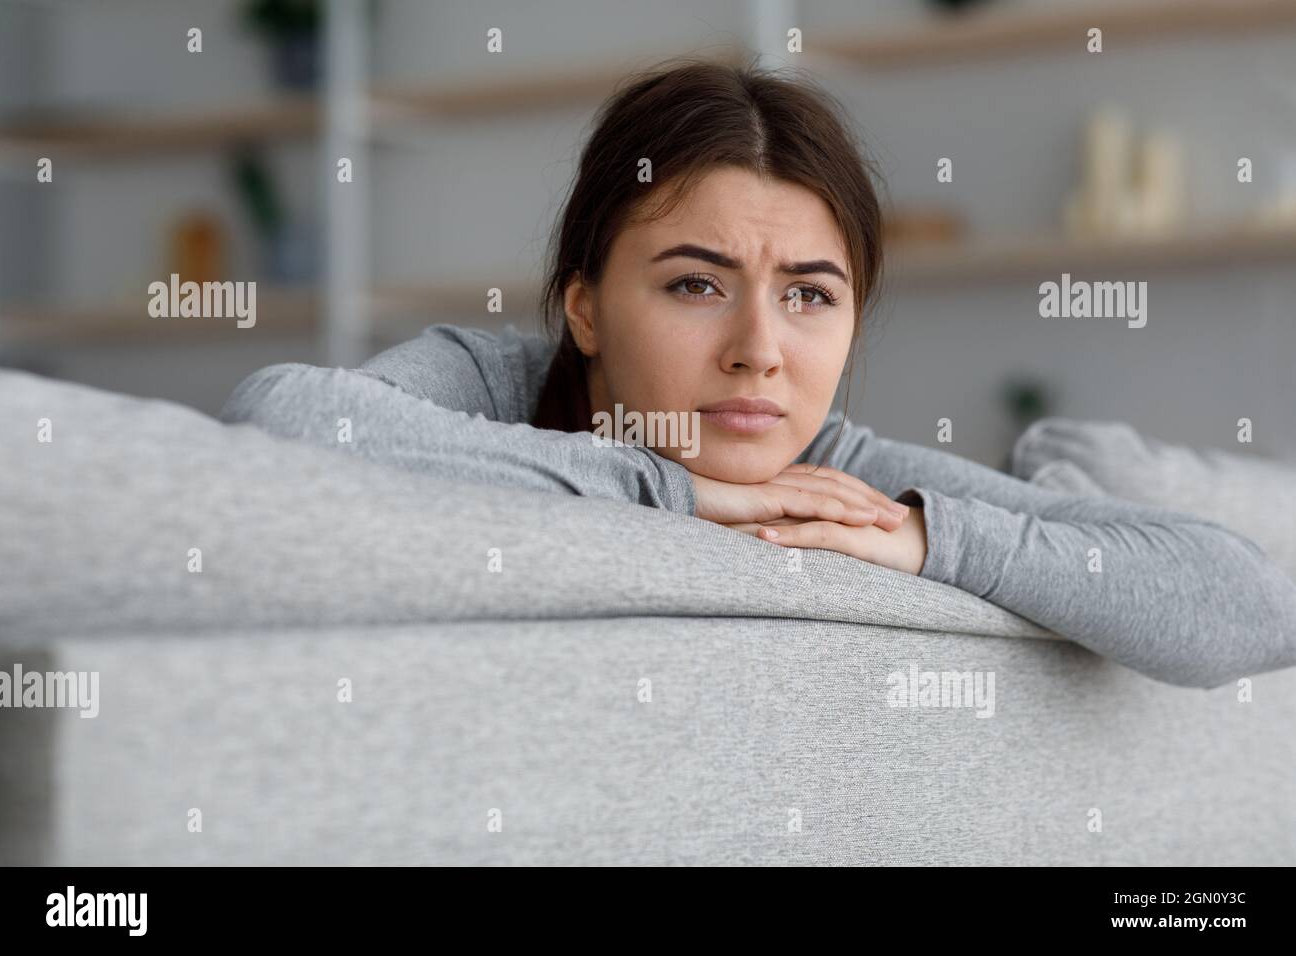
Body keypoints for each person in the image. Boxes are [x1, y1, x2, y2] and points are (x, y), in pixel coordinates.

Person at [221, 59, 1296, 688]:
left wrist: (927, 536)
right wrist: (683, 494)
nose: (759, 348)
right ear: (585, 305)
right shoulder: (488, 380)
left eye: (811, 294)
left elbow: (1248, 599)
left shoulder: (834, 474)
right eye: (695, 284)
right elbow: (284, 419)